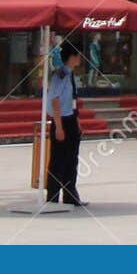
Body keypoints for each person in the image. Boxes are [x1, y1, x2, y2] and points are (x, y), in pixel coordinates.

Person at [46, 43, 86, 206]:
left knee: (71, 159)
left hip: (70, 119)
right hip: (61, 120)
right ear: (71, 57)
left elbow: (72, 101)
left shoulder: (71, 75)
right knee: (58, 160)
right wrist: (59, 127)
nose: (80, 58)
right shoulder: (60, 75)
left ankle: (70, 195)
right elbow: (55, 100)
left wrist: (77, 122)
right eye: (78, 55)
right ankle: (53, 196)